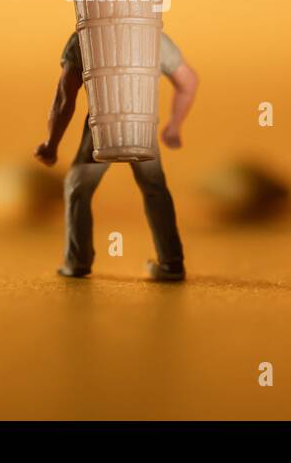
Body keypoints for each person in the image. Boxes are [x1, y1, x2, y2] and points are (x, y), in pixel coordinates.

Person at [35, 31, 198, 281]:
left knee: (77, 188)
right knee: (155, 188)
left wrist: (51, 143)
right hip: (141, 126)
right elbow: (188, 82)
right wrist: (174, 126)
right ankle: (172, 262)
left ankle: (76, 261)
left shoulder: (85, 36)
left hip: (102, 127)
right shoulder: (153, 37)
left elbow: (64, 99)